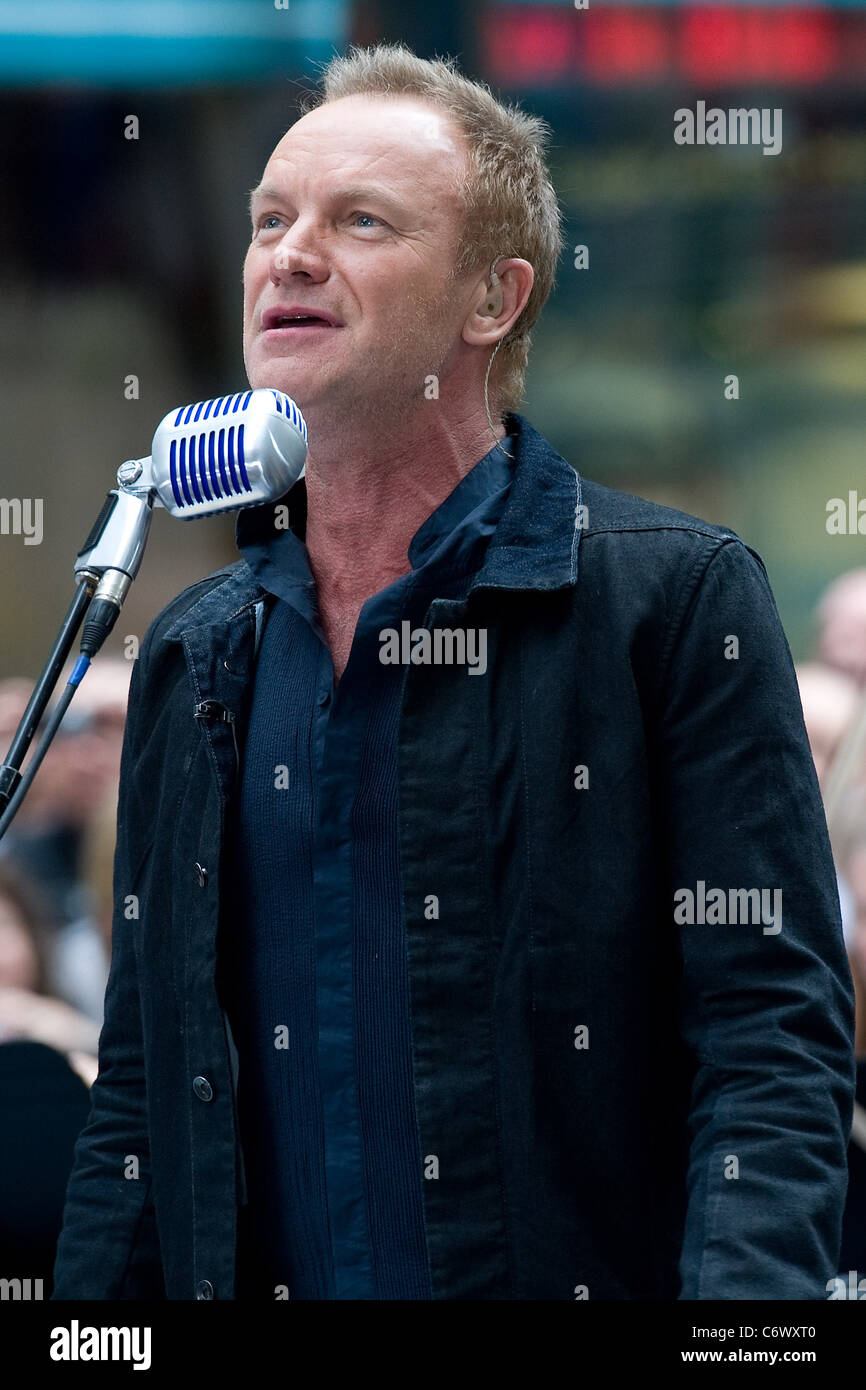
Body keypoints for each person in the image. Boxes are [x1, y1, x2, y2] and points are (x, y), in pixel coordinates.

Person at [52, 42, 855, 1302]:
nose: (289, 255)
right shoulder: (201, 650)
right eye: (271, 219)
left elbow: (769, 1043)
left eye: (359, 220)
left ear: (491, 300)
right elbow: (147, 1098)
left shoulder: (675, 597)